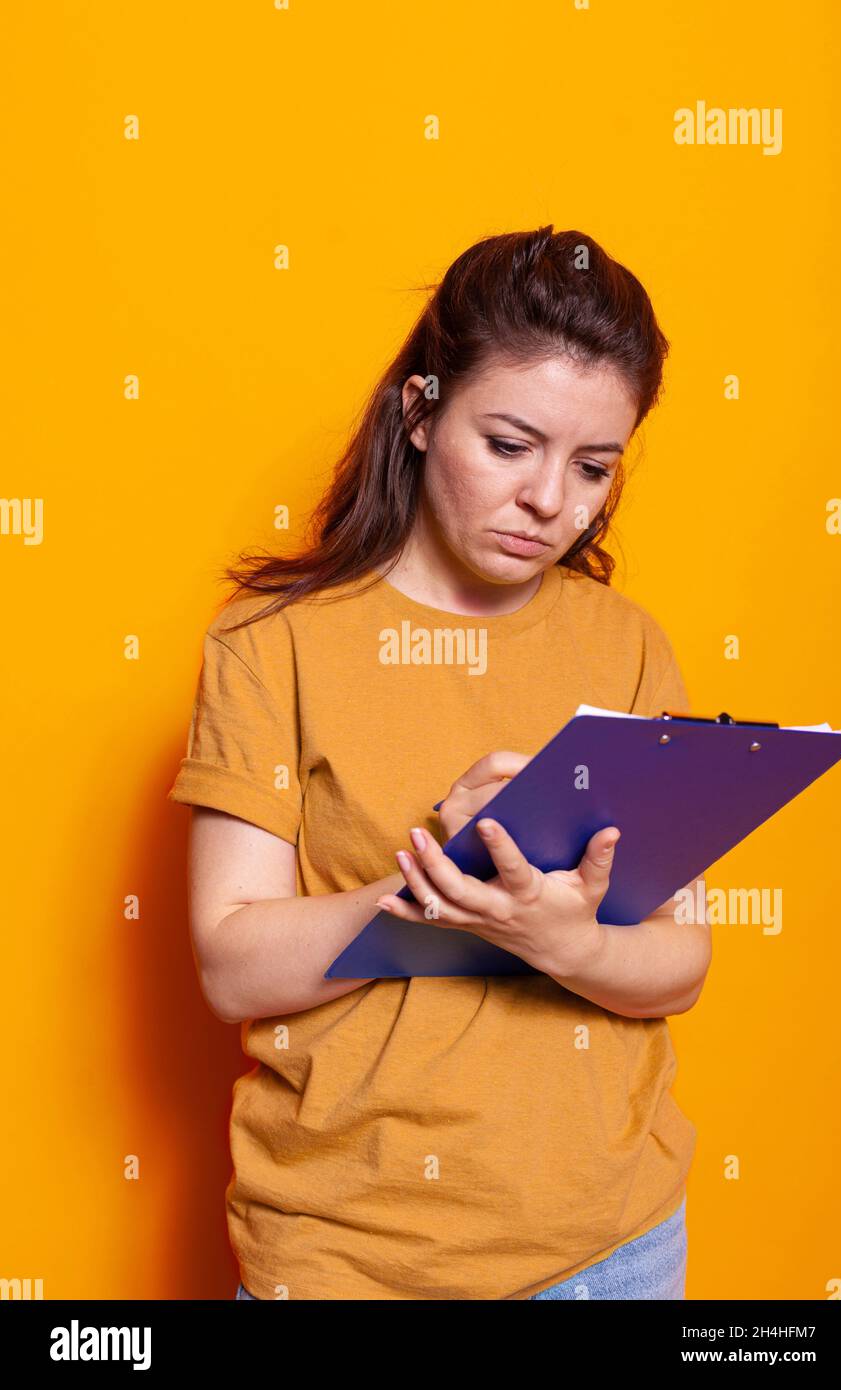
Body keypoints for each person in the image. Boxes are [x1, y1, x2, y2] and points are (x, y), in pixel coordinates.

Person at [167, 224, 711, 1301]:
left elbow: (679, 963)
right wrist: (442, 888)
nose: (550, 500)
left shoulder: (626, 644)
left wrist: (559, 937)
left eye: (591, 465)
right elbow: (231, 964)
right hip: (348, 1256)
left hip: (613, 1244)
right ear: (419, 413)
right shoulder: (271, 643)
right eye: (509, 444)